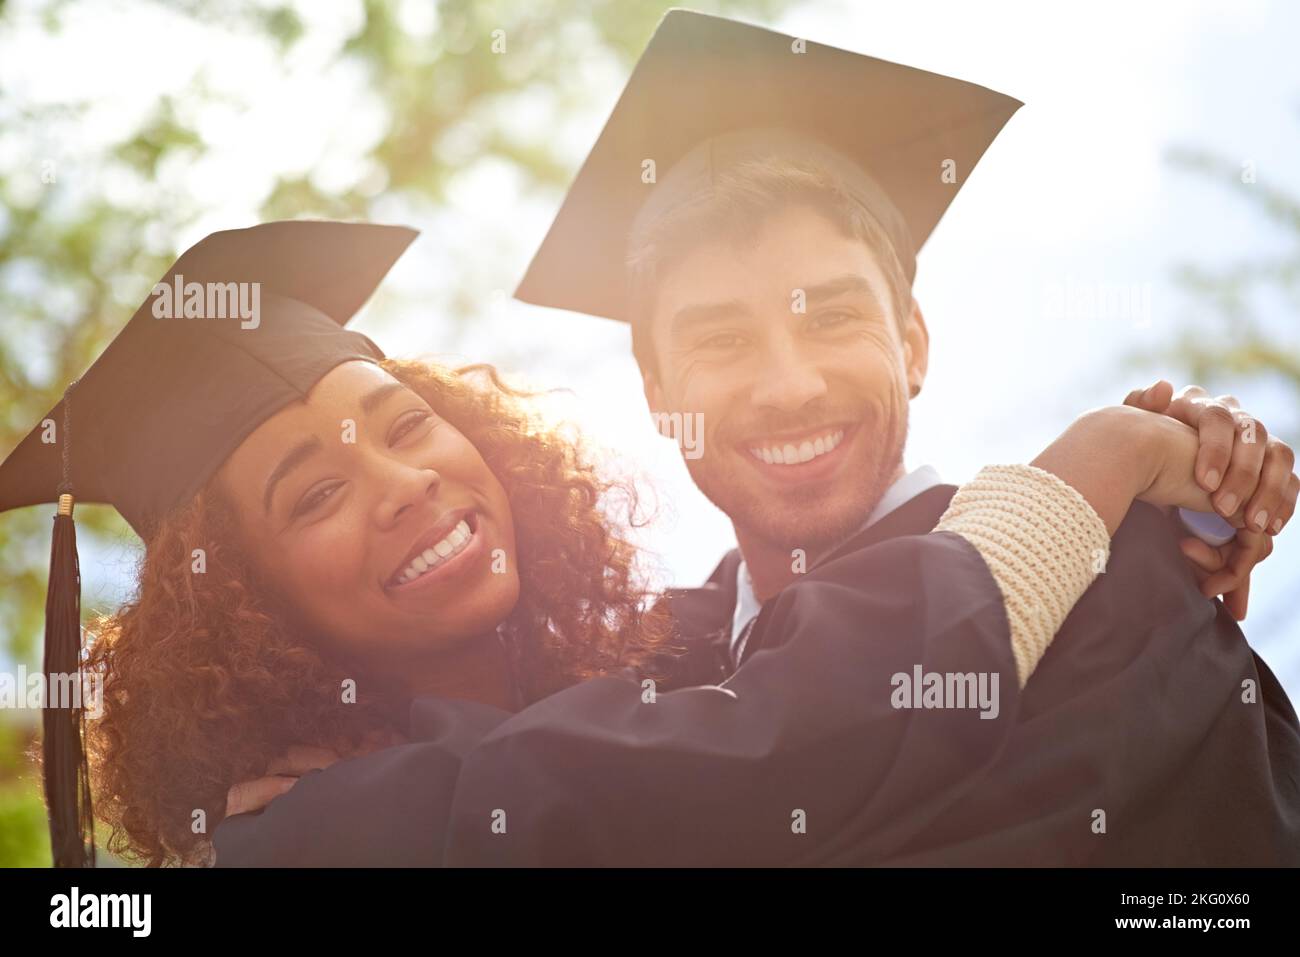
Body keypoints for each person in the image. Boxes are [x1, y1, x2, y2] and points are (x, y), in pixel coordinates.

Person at [500, 9, 1300, 864]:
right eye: (721, 339)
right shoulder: (634, 676)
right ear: (658, 391)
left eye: (834, 316)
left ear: (912, 343)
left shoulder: (1112, 572)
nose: (791, 385)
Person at [0, 220, 671, 866]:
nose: (406, 484)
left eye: (407, 424)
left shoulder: (679, 657)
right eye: (317, 495)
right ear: (244, 606)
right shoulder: (333, 840)